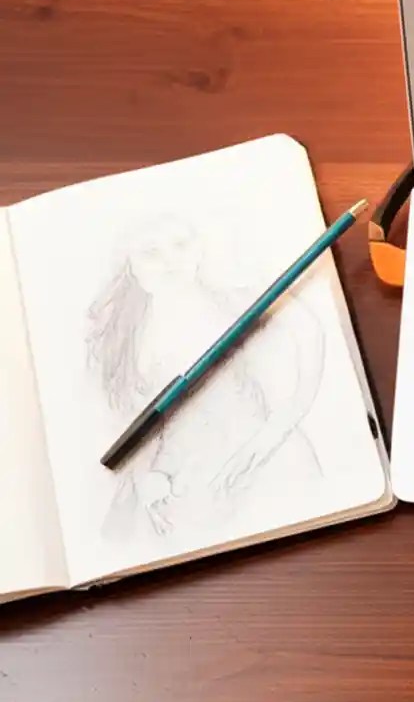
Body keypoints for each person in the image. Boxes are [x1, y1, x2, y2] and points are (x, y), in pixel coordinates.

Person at [87, 221, 325, 541]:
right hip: (183, 481)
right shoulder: (126, 336)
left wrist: (279, 425)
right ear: (129, 264)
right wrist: (147, 478)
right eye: (151, 252)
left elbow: (310, 331)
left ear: (199, 247)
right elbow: (126, 418)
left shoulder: (233, 300)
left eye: (180, 245)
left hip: (262, 461)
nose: (170, 260)